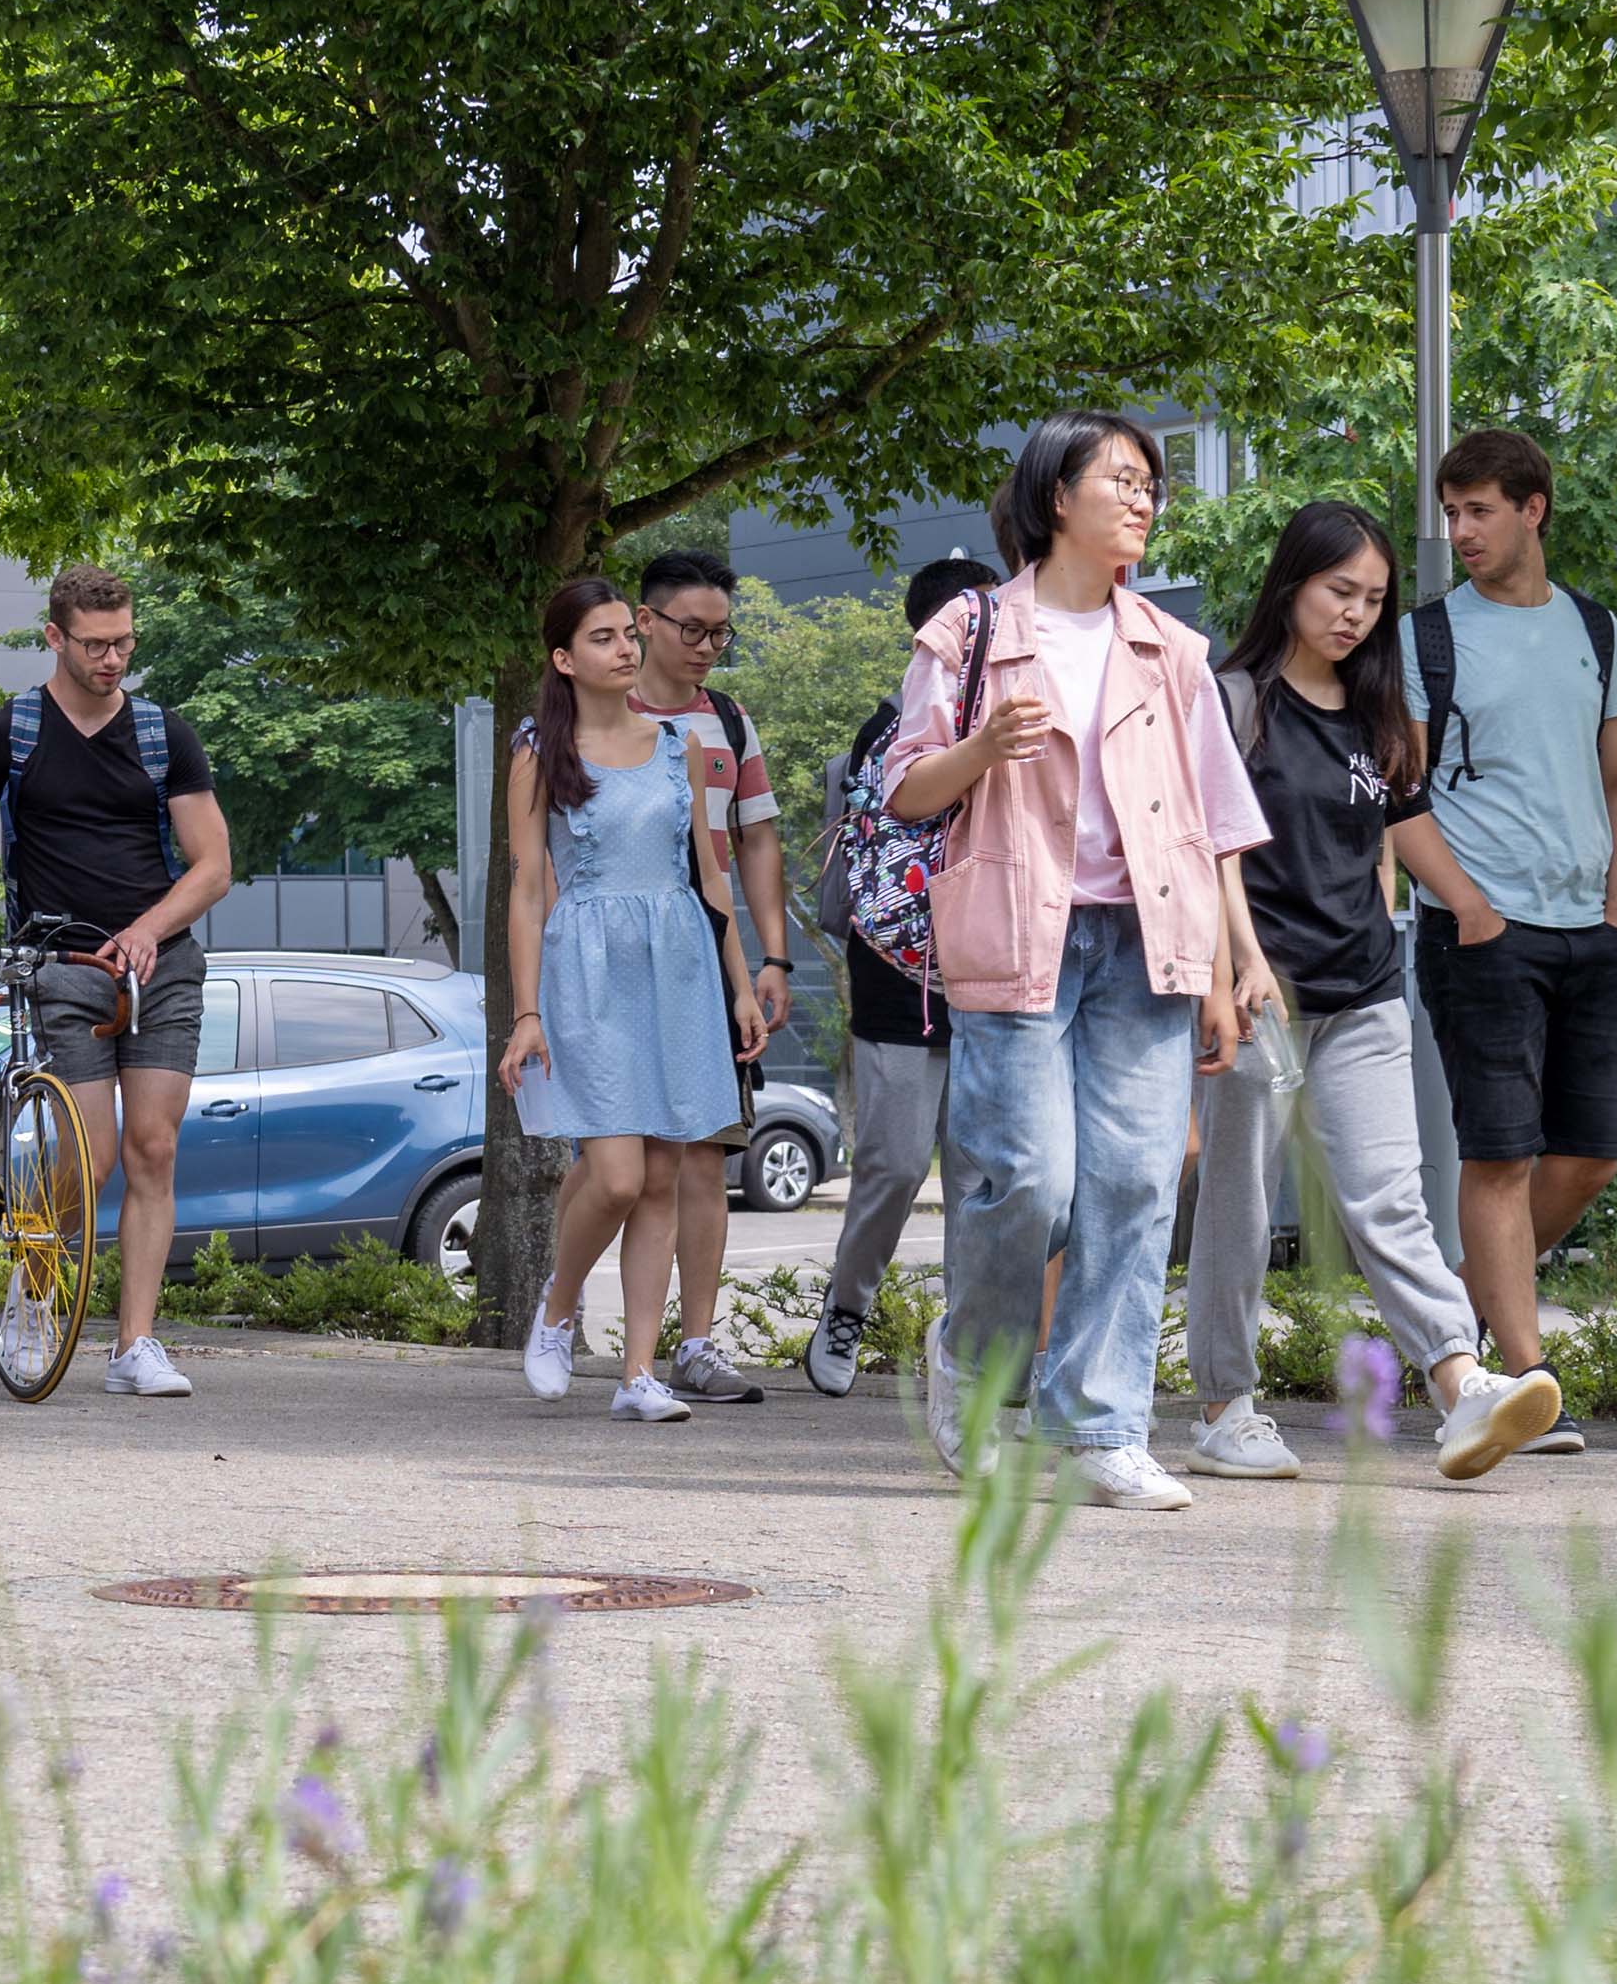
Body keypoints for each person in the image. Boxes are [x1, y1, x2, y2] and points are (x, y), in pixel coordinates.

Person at [878, 412, 1264, 1511]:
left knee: (1137, 1184)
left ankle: (1098, 1426)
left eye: (1151, 485)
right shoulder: (968, 632)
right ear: (1057, 497)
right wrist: (981, 749)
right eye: (1122, 480)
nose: (1143, 500)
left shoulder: (1171, 648)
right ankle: (975, 1367)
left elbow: (1214, 819)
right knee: (1032, 1180)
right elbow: (904, 790)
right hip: (1016, 937)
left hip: (1145, 941)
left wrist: (1232, 967)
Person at [1184, 501, 1566, 1482]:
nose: (1354, 613)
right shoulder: (1231, 702)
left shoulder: (1375, 716)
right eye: (1337, 591)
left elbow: (1393, 841)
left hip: (1361, 989)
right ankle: (1226, 1403)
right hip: (1262, 994)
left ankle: (1458, 1389)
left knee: (1391, 1197)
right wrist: (1233, 968)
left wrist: (1470, 907)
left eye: (1372, 598)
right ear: (1291, 586)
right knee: (1238, 1205)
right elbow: (1208, 850)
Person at [0, 562, 236, 1397]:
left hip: (159, 964)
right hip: (62, 962)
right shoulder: (10, 732)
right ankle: (32, 1282)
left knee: (154, 1147)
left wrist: (147, 929)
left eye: (125, 641)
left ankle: (134, 1344)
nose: (112, 658)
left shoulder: (166, 734)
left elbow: (213, 866)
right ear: (55, 637)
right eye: (96, 644)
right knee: (90, 1154)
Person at [1399, 429, 1617, 1455]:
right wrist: (1466, 905)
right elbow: (1398, 795)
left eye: (1478, 511)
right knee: (1497, 1157)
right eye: (1450, 513)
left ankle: (1455, 1328)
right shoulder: (1423, 639)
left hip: (1588, 929)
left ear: (1532, 509)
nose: (1459, 532)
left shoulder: (1595, 628)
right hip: (1481, 930)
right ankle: (1523, 1371)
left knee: (1586, 1158)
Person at [500, 579, 769, 1425]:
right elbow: (528, 887)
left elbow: (710, 873)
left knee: (662, 1175)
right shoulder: (541, 750)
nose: (624, 648)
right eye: (604, 637)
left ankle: (639, 1373)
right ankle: (558, 1303)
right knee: (615, 1175)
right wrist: (527, 1012)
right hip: (586, 967)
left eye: (626, 634)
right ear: (564, 657)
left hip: (680, 964)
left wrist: (740, 983)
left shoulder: (676, 745)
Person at [806, 553, 1001, 1397]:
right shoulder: (888, 730)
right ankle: (848, 1306)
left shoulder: (1024, 712)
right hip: (899, 976)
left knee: (980, 1174)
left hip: (996, 972)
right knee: (889, 1163)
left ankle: (964, 1346)